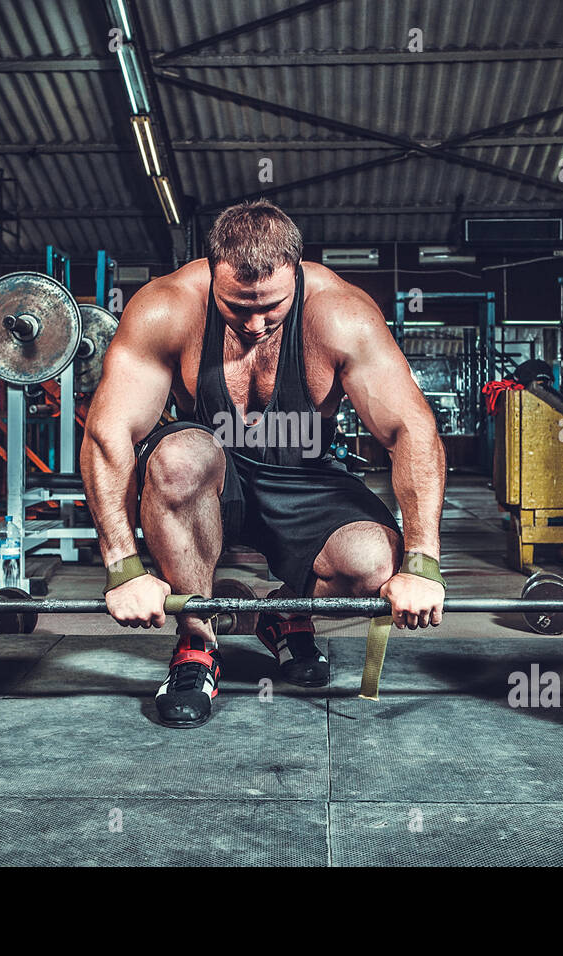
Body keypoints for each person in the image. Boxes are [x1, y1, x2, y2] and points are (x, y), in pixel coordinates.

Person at [82, 199, 445, 728]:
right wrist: (123, 567)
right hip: (210, 470)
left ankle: (285, 615)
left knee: (374, 565)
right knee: (177, 458)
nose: (255, 323)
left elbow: (411, 429)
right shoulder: (166, 307)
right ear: (212, 275)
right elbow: (108, 431)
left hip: (303, 475)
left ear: (295, 272)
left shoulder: (342, 314)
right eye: (236, 306)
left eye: (271, 307)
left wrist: (422, 564)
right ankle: (197, 646)